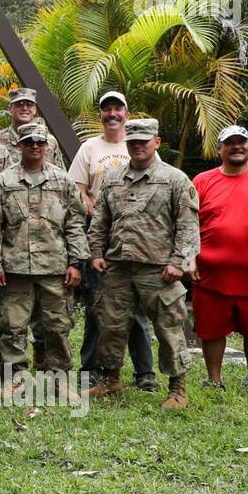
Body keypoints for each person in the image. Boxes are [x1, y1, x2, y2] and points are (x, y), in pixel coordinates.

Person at [87, 118, 199, 410]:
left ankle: (177, 388)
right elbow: (100, 220)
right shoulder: (113, 178)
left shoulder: (174, 179)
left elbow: (187, 224)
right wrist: (96, 252)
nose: (137, 145)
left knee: (168, 327)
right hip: (118, 266)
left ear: (156, 142)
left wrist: (179, 262)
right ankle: (111, 380)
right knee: (111, 324)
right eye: (132, 141)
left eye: (143, 141)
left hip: (159, 268)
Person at [0, 123, 88, 397]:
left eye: (39, 142)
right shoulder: (4, 182)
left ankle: (60, 379)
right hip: (15, 267)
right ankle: (14, 378)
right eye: (28, 141)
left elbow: (75, 223)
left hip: (55, 267)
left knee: (57, 326)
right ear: (18, 145)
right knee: (12, 326)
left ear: (47, 146)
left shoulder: (62, 181)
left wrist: (76, 262)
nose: (34, 146)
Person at [69, 91, 158, 391]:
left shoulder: (140, 144)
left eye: (117, 108)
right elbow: (78, 188)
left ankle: (145, 372)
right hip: (99, 234)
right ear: (100, 116)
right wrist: (95, 210)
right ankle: (91, 368)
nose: (112, 114)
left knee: (137, 306)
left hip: (138, 237)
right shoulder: (89, 148)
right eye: (106, 109)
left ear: (127, 114)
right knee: (97, 304)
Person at [189, 125, 248, 395]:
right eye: (230, 143)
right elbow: (187, 223)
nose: (237, 147)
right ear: (219, 150)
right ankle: (214, 380)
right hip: (210, 271)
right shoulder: (202, 180)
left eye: (242, 142)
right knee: (211, 329)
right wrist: (189, 257)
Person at [0, 87, 65, 168]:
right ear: (10, 109)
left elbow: (61, 173)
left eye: (29, 104)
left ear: (35, 109)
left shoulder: (50, 141)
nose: (25, 108)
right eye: (19, 104)